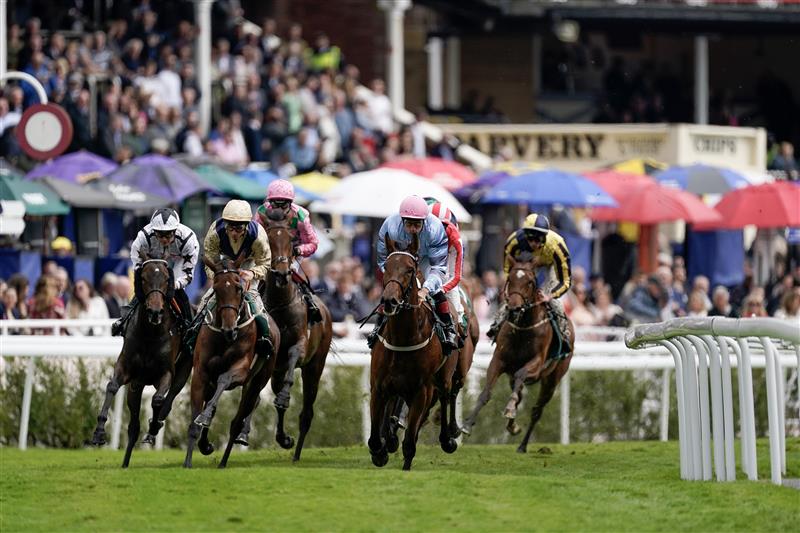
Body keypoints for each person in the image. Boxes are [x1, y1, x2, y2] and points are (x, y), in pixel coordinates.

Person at [367, 195, 459, 354]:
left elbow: (438, 268)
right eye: (409, 224)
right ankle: (378, 327)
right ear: (402, 220)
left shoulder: (435, 228)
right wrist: (396, 280)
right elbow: (383, 262)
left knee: (435, 289)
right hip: (401, 256)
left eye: (417, 225)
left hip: (427, 258)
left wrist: (425, 290)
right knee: (392, 287)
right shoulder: (390, 226)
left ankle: (448, 328)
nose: (413, 229)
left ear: (425, 221)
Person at [196, 199, 274, 357]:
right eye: (230, 227)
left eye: (238, 228)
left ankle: (265, 339)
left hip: (249, 265)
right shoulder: (215, 232)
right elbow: (209, 259)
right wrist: (219, 277)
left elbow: (266, 264)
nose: (233, 233)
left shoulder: (258, 236)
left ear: (246, 225)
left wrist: (251, 274)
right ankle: (192, 338)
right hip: (224, 266)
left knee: (256, 305)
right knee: (205, 302)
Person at [111, 208, 199, 336]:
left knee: (177, 292)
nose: (164, 239)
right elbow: (138, 270)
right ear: (153, 230)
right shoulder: (142, 238)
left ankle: (189, 326)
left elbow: (188, 275)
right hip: (152, 258)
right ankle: (124, 320)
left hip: (180, 258)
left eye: (168, 234)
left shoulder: (189, 240)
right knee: (145, 289)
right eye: (160, 234)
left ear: (175, 230)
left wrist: (172, 285)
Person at [486, 213, 572, 343]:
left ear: (546, 236)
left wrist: (550, 295)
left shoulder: (557, 246)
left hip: (551, 266)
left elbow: (565, 281)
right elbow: (507, 272)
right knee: (513, 297)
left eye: (539, 239)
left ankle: (564, 334)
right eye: (530, 239)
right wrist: (510, 292)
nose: (534, 244)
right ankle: (497, 324)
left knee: (553, 303)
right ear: (524, 234)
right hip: (525, 265)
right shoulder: (513, 242)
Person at [253, 179, 322, 323]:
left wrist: (298, 250)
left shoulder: (301, 217)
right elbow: (254, 238)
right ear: (268, 202)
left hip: (291, 252)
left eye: (282, 204)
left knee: (290, 273)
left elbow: (313, 243)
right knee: (253, 281)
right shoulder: (261, 213)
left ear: (290, 203)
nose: (278, 208)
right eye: (274, 203)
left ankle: (310, 303)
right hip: (268, 252)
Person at [425, 197, 467, 345]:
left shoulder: (456, 240)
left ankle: (456, 330)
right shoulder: (420, 231)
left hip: (447, 261)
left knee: (455, 309)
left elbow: (456, 277)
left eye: (442, 226)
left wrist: (441, 289)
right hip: (427, 259)